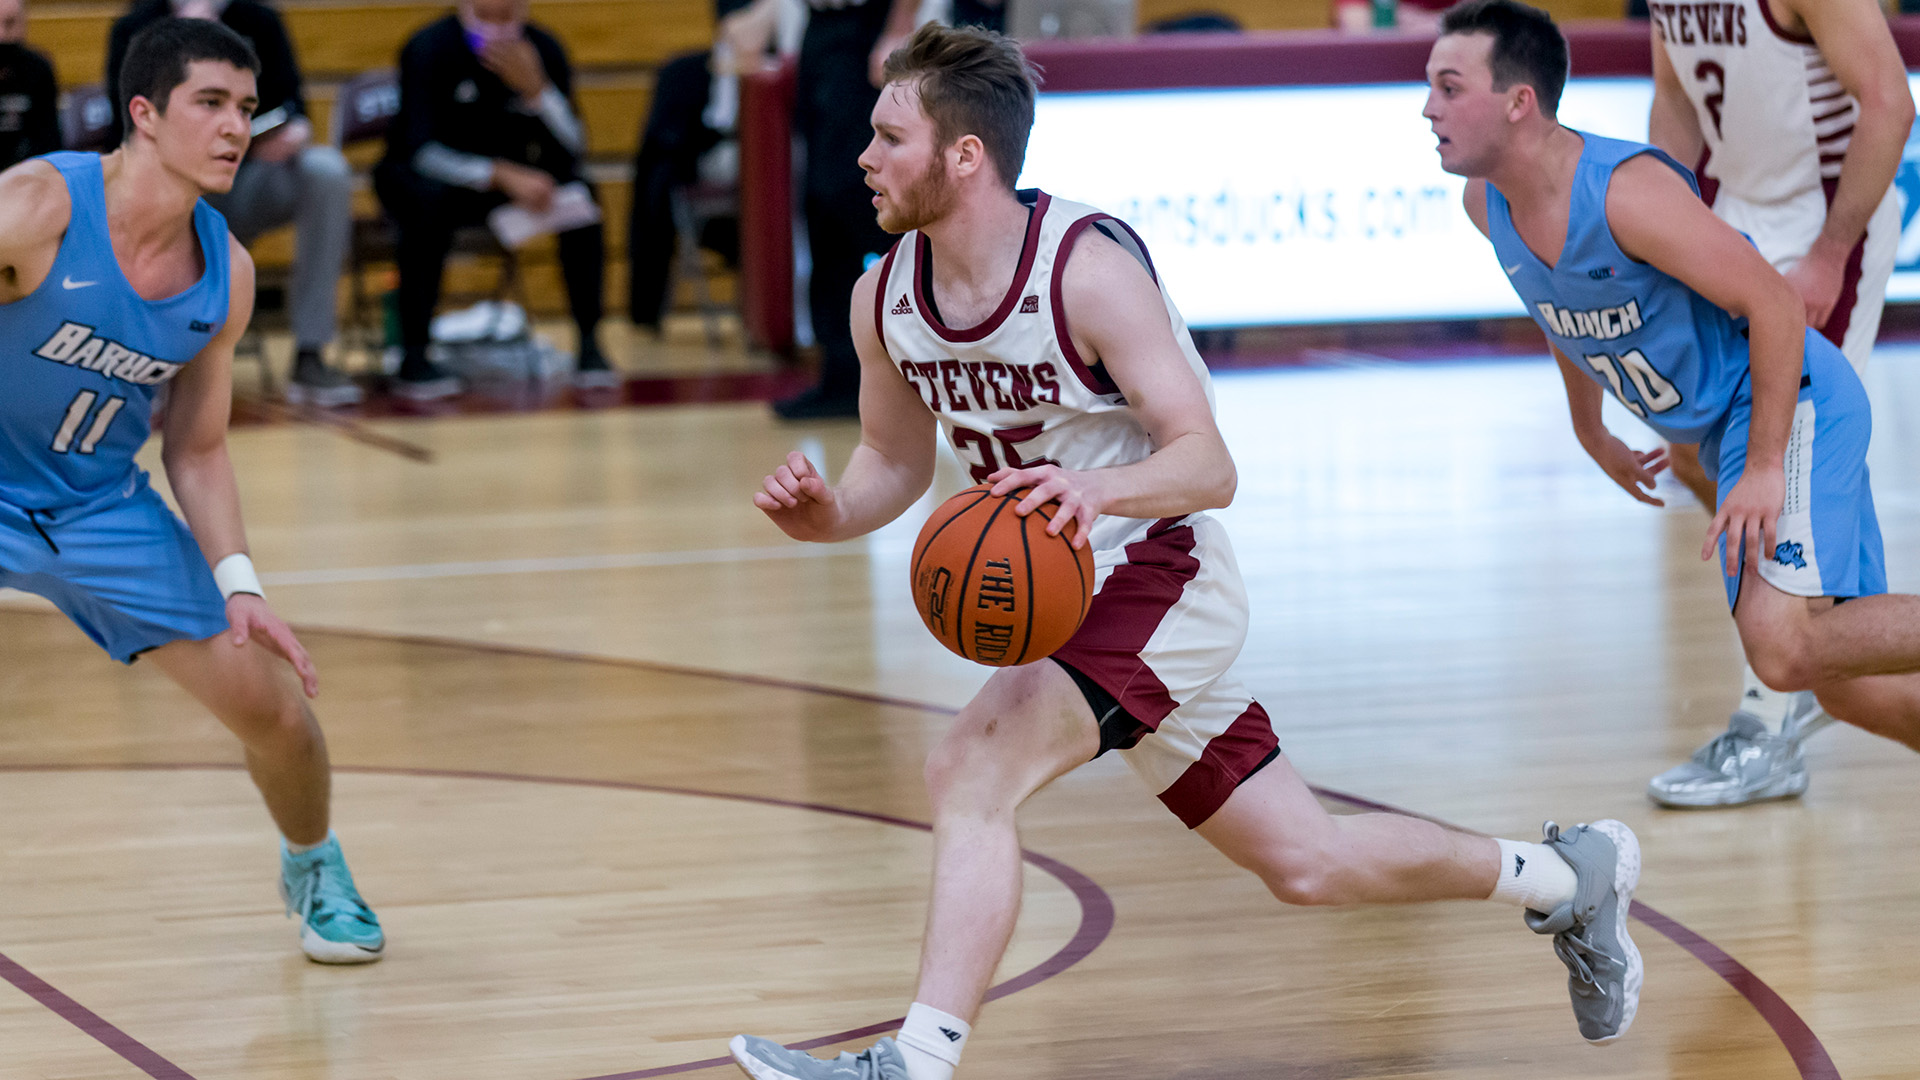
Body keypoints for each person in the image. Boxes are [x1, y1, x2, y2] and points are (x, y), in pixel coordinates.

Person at [730, 26, 1644, 1079]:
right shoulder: (883, 296)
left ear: (964, 155)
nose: (865, 156)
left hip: (1158, 573)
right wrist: (830, 514)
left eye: (890, 136)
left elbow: (1209, 466)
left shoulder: (1088, 271)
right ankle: (1567, 877)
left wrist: (1092, 487)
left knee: (971, 765)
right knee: (1309, 862)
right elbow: (890, 466)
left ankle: (916, 1062)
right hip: (1077, 605)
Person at [1433, 0, 1920, 791]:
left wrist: (1763, 462)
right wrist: (1589, 428)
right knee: (1837, 673)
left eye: (1449, 88)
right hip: (1731, 382)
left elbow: (1779, 304)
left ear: (1518, 101)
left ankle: (1766, 726)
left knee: (1785, 645)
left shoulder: (1623, 192)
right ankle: (1786, 690)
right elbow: (1562, 309)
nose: (1427, 108)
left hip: (1797, 359)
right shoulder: (1493, 205)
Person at [0, 18, 383, 964]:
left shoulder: (228, 273)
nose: (234, 129)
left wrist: (241, 584)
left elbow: (199, 450)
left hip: (97, 509)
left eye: (246, 109)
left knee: (278, 712)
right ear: (144, 114)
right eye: (210, 104)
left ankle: (314, 864)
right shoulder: (36, 209)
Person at [1639, 0, 1913, 807]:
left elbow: (1891, 102)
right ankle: (1819, 662)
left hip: (1825, 223)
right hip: (1735, 219)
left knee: (1779, 439)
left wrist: (1832, 251)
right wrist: (1662, 224)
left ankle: (1771, 713)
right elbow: (1680, 102)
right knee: (1696, 453)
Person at [107, 0, 360, 407]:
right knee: (134, 181)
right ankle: (145, 362)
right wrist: (184, 44)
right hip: (170, 185)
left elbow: (293, 108)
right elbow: (126, 125)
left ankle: (311, 353)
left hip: (247, 176)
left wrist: (283, 133)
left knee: (325, 170)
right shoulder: (136, 27)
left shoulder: (259, 20)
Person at [375, 0, 614, 398]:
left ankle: (590, 344)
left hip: (517, 189)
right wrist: (498, 174)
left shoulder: (543, 47)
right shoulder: (429, 47)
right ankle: (414, 354)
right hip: (444, 184)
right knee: (424, 205)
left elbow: (576, 145)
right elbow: (420, 151)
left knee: (582, 195)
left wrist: (540, 93)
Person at [0, 0, 60, 170]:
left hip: (25, 178)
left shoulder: (38, 69)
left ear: (23, 23)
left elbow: (49, 144)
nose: (2, 35)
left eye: (10, 23)